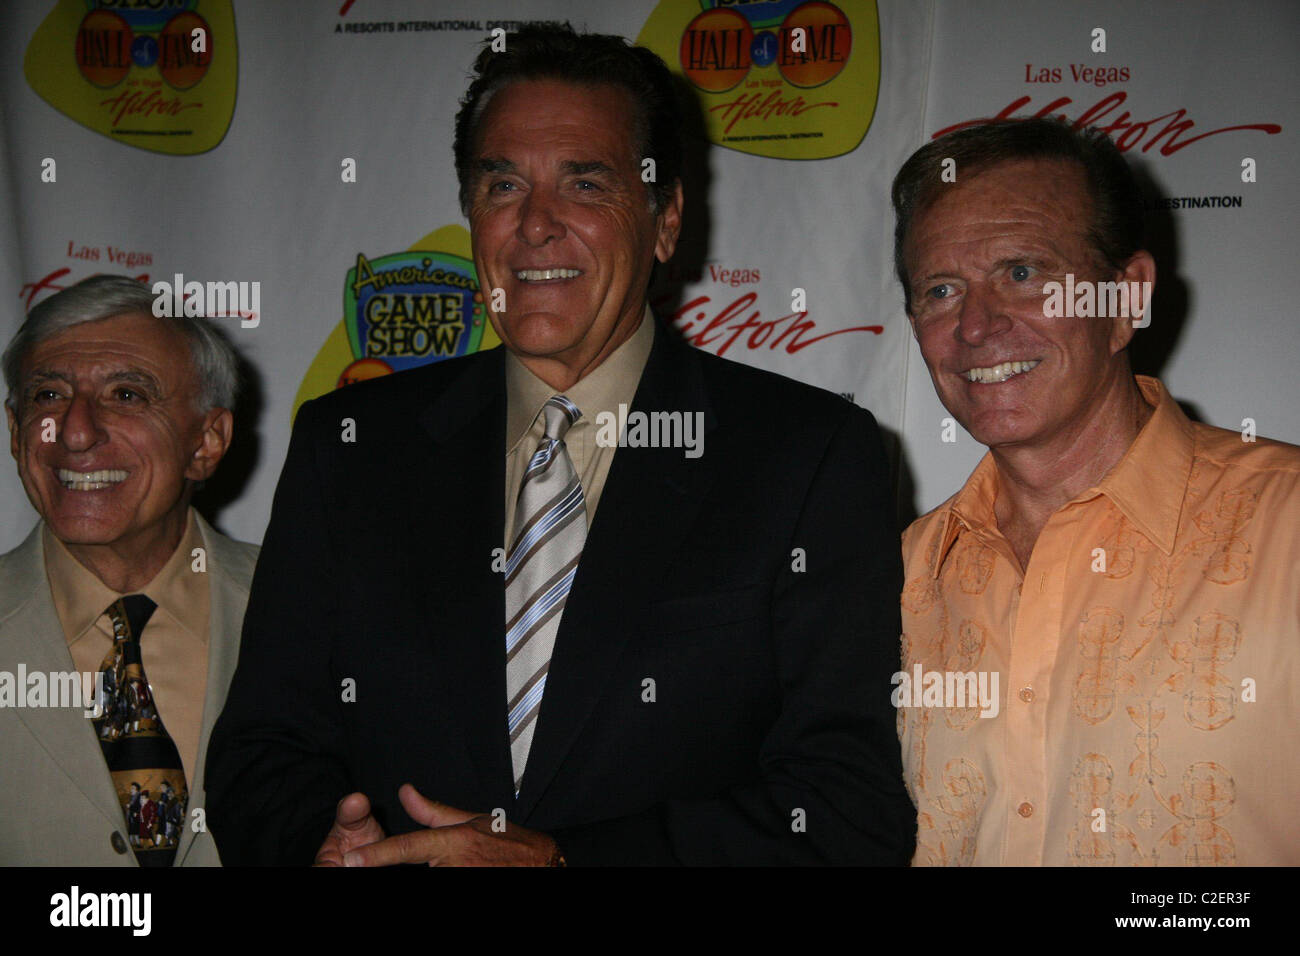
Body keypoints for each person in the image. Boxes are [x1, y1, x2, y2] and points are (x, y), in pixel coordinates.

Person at [206, 24, 914, 866]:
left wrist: (565, 862)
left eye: (586, 183)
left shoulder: (808, 457)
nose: (536, 226)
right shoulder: (350, 446)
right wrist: (323, 842)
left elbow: (845, 807)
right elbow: (259, 756)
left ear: (665, 220)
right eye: (503, 184)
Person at [892, 118, 1300, 865]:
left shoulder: (1288, 527)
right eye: (941, 289)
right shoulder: (903, 576)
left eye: (1022, 273)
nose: (977, 325)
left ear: (1126, 298)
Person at [0, 274, 259, 865]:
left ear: (207, 441)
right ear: (16, 435)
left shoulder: (314, 616)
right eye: (48, 396)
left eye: (127, 395)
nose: (76, 430)